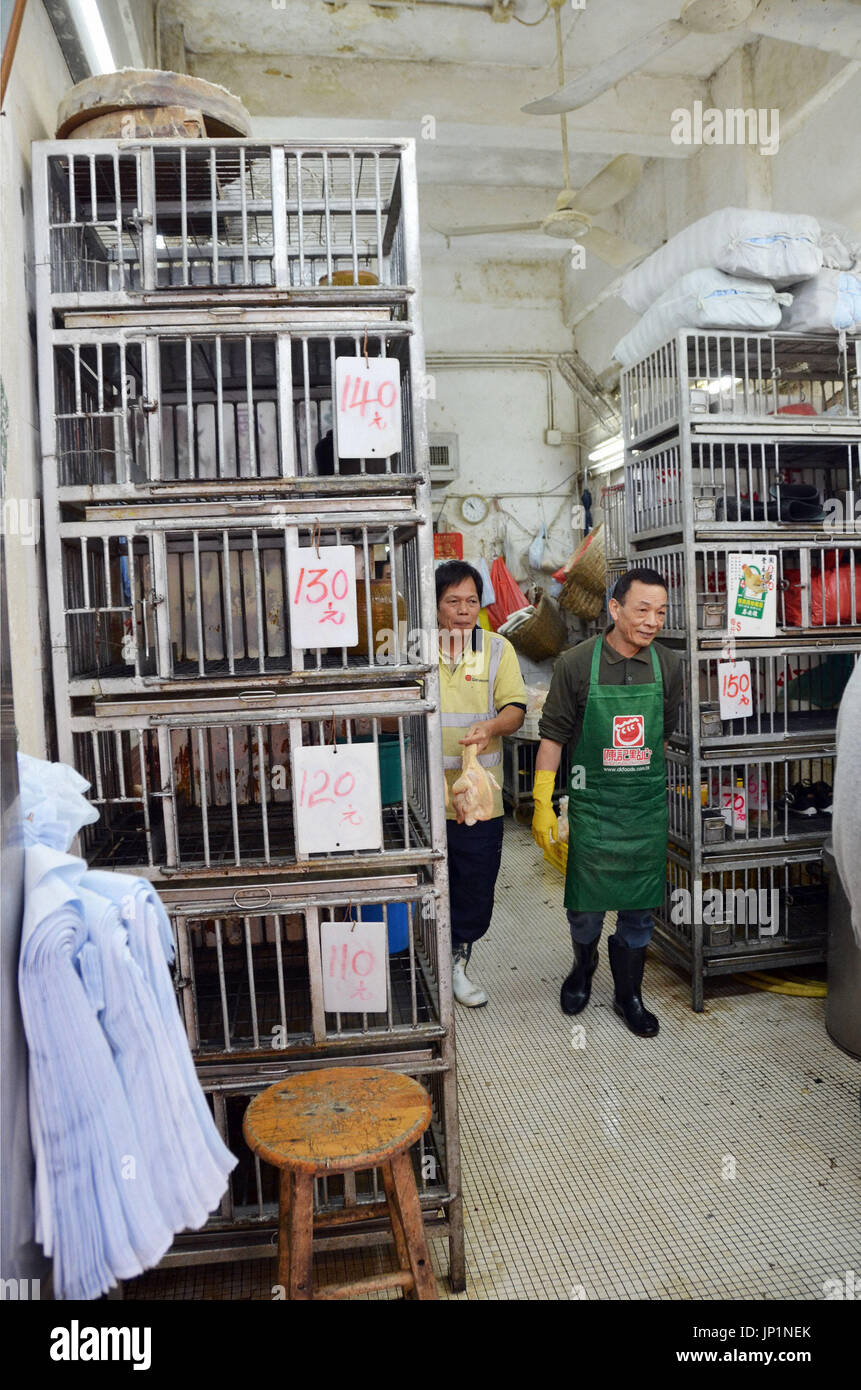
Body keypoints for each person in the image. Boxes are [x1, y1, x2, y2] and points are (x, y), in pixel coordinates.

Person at [530, 567, 683, 1036]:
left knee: (639, 906)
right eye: (642, 609)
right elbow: (554, 736)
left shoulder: (669, 666)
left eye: (660, 611)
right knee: (585, 905)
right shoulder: (576, 663)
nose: (653, 620)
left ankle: (628, 993)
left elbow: (664, 732)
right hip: (594, 806)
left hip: (643, 808)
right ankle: (583, 967)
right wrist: (540, 800)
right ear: (614, 608)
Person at [436, 560, 527, 1006]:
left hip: (479, 799)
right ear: (435, 607)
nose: (464, 610)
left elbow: (515, 709)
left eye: (472, 601)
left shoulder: (496, 649)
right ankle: (428, 961)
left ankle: (457, 964)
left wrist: (491, 727)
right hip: (425, 799)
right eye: (453, 601)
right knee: (429, 882)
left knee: (474, 884)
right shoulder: (417, 653)